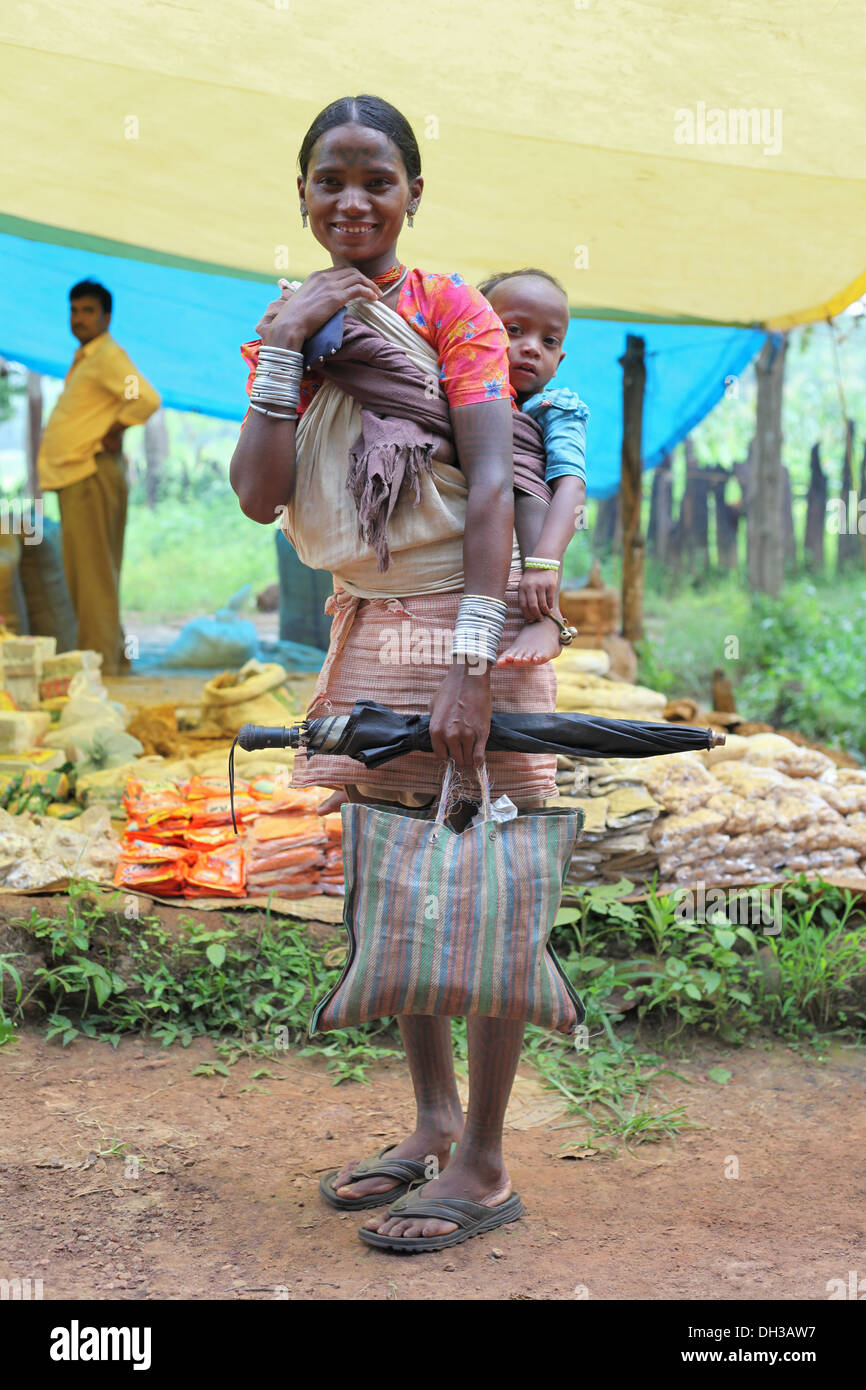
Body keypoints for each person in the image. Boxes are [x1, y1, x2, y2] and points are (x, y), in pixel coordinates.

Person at [230, 95, 562, 1253]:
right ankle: (428, 1120)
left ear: (414, 192)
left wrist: (469, 661)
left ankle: (482, 1161)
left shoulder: (455, 312)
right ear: (304, 197)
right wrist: (285, 345)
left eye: (376, 179)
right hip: (367, 619)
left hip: (469, 624)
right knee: (392, 876)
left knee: (491, 880)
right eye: (329, 180)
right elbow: (259, 495)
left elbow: (484, 490)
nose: (352, 201)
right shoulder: (296, 323)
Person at [37, 279, 160, 673]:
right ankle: (111, 663)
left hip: (91, 474)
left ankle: (103, 670)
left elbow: (145, 398)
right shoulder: (88, 357)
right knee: (90, 577)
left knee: (92, 579)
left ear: (106, 317)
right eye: (74, 310)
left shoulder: (106, 355)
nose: (79, 318)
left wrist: (116, 429)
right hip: (80, 476)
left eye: (88, 311)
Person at [477, 269, 590, 667]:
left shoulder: (552, 409)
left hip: (529, 558)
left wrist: (544, 563)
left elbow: (571, 488)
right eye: (513, 330)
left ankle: (546, 617)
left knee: (520, 465)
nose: (531, 348)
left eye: (549, 341)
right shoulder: (452, 392)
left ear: (559, 360)